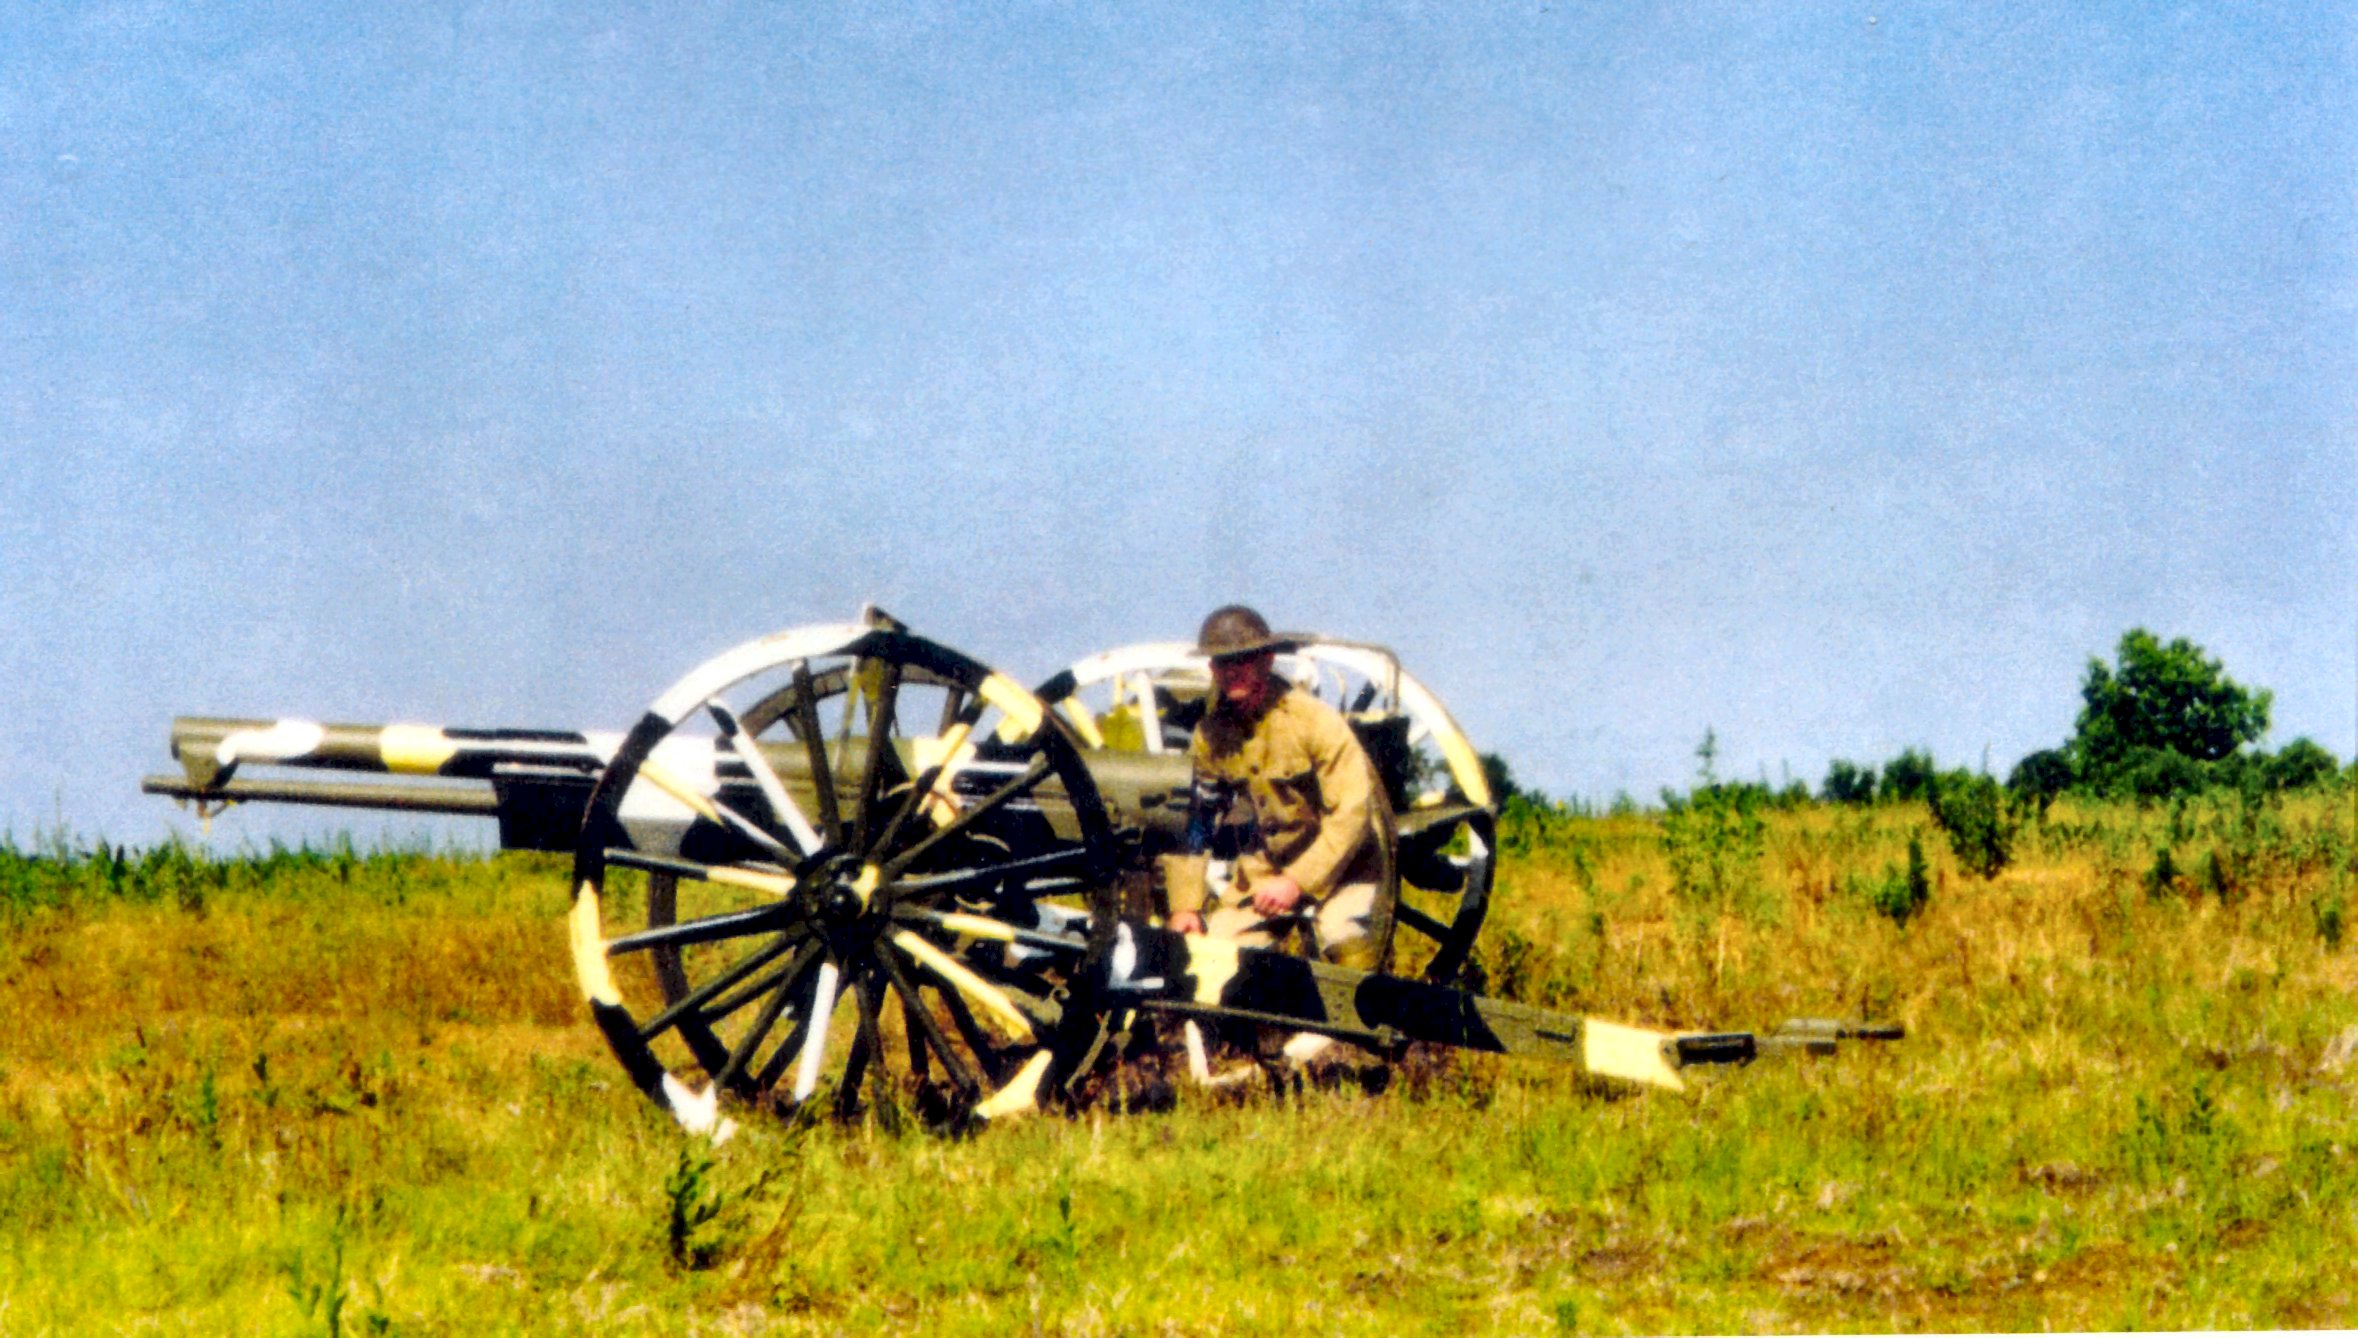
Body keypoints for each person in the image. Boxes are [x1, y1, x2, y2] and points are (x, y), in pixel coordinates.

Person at [1161, 605, 1392, 971]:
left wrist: (1297, 882)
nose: (1231, 671)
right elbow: (1196, 821)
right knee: (1215, 956)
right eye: (1222, 662)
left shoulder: (1313, 722)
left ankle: (1363, 1026)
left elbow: (1351, 812)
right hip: (1266, 871)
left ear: (1267, 661)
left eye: (1243, 659)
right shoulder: (1210, 735)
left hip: (1344, 866)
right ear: (1211, 669)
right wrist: (1185, 905)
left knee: (1341, 937)